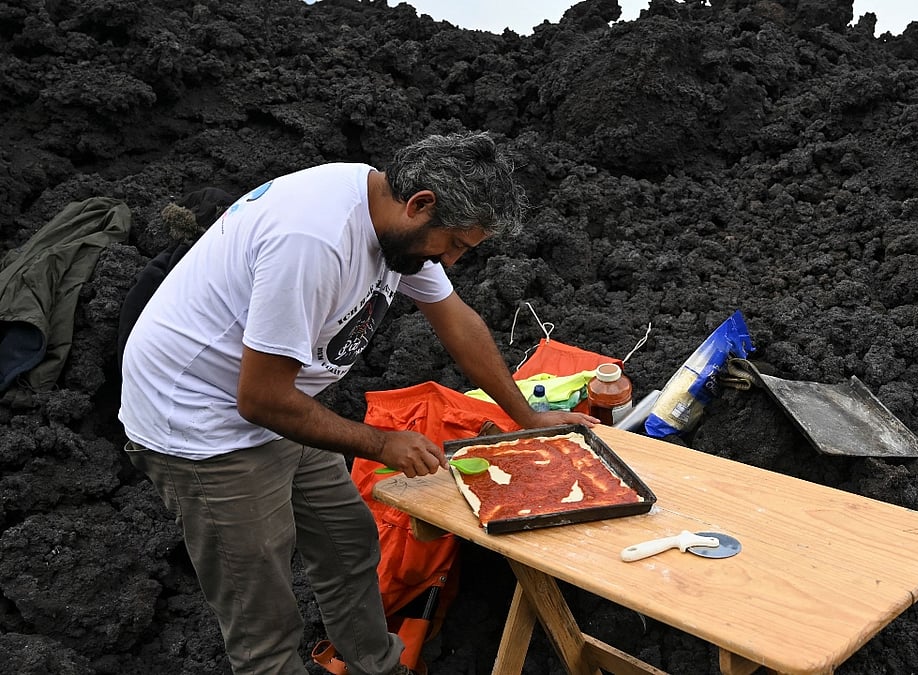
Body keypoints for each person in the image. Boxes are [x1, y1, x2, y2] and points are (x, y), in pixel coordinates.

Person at [118, 132, 597, 675]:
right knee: (264, 615)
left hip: (286, 404)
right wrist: (381, 442)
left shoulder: (390, 214)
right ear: (421, 205)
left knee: (349, 546)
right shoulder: (313, 241)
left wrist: (527, 416)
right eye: (457, 245)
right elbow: (260, 399)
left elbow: (457, 321)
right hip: (203, 428)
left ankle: (377, 665)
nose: (455, 261)